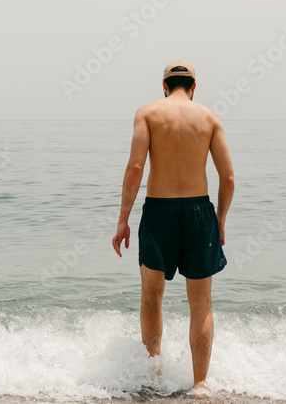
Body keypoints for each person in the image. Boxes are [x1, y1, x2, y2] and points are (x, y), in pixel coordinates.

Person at [111, 60, 235, 395]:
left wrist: (123, 219)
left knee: (151, 295)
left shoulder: (147, 114)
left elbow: (135, 168)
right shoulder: (210, 118)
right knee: (201, 302)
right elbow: (228, 178)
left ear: (164, 86)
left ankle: (152, 378)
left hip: (159, 212)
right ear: (194, 87)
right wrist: (220, 221)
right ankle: (200, 384)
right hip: (199, 213)